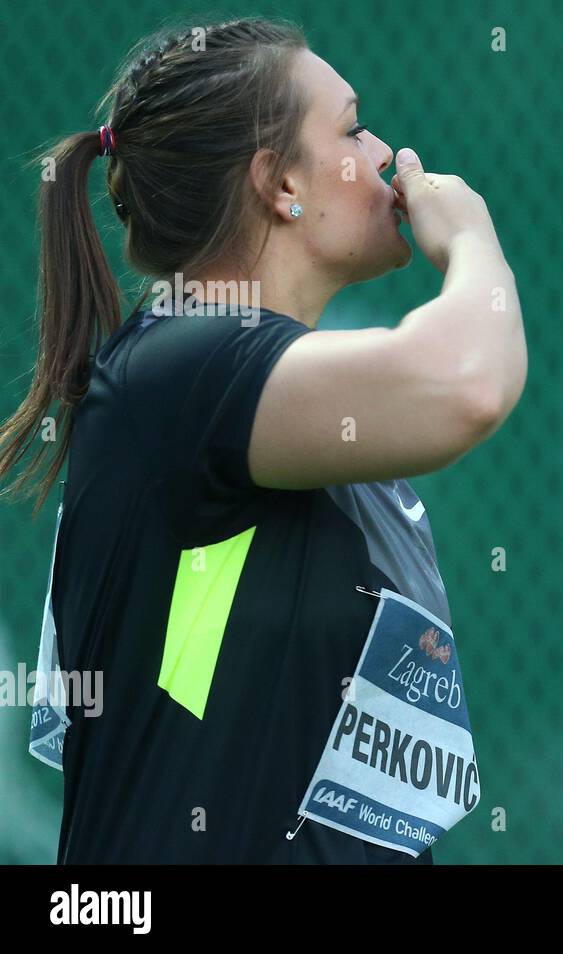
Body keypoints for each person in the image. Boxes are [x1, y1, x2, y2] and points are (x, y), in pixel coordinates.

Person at [0, 16, 526, 863]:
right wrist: (471, 238)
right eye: (353, 128)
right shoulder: (185, 366)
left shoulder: (223, 383)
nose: (385, 150)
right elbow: (467, 383)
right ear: (280, 183)